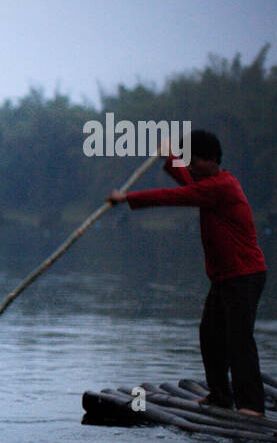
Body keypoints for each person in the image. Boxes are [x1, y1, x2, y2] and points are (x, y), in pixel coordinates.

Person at [108, 130, 267, 416]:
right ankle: (220, 396)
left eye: (193, 161)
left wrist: (126, 198)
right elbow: (186, 182)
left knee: (240, 340)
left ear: (212, 160)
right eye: (187, 161)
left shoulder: (222, 186)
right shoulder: (207, 185)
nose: (190, 166)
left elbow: (175, 195)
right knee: (210, 335)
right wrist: (170, 156)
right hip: (225, 277)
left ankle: (252, 406)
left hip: (244, 275)